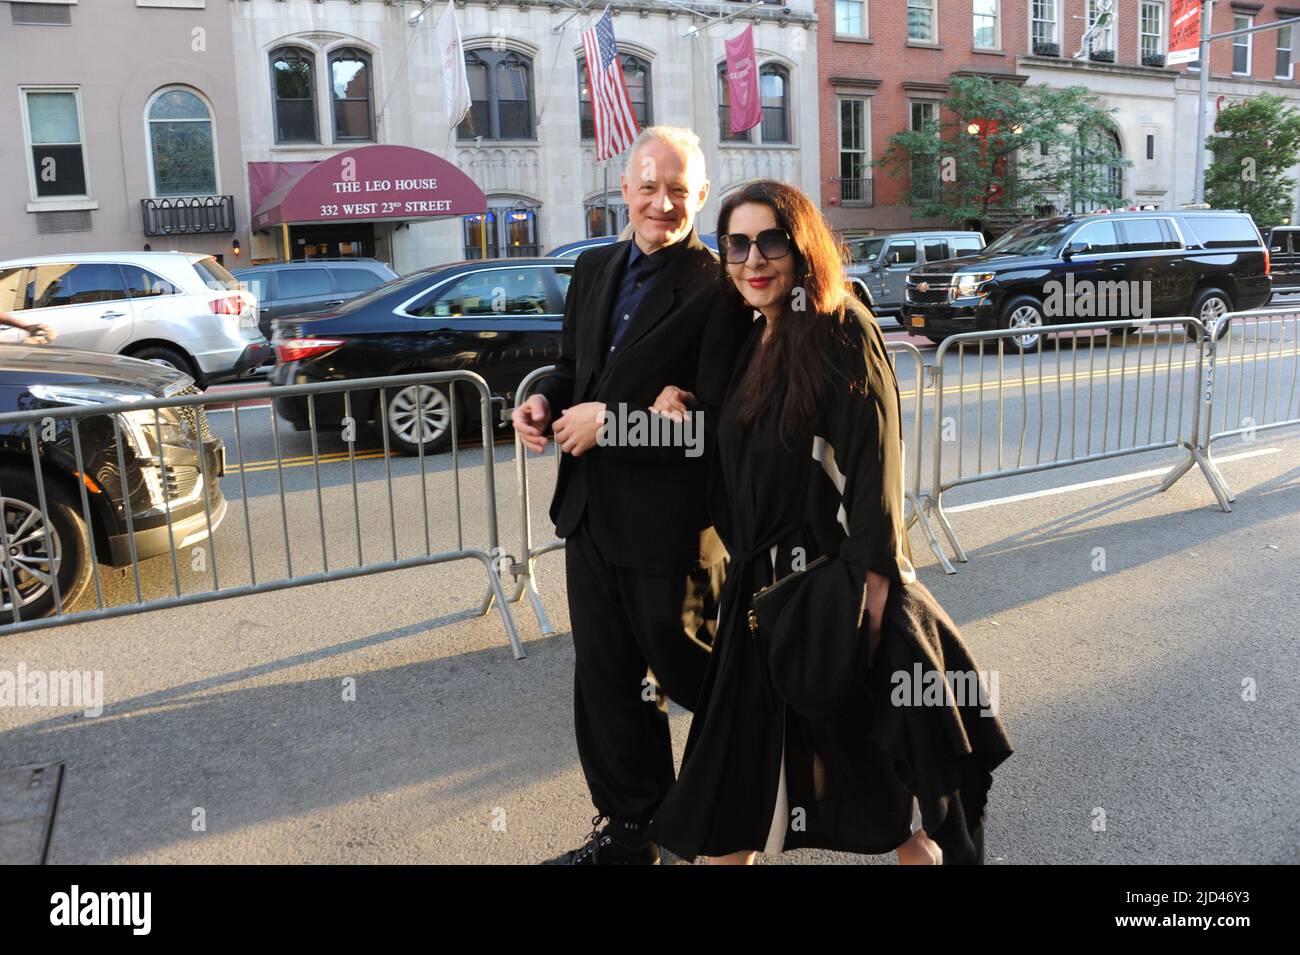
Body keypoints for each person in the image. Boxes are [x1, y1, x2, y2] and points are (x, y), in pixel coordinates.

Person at [647, 180, 1013, 865]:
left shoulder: (841, 328)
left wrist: (866, 606)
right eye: (737, 245)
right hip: (760, 600)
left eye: (771, 241)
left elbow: (876, 469)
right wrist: (686, 402)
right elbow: (755, 437)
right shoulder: (759, 334)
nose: (754, 260)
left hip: (823, 595)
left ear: (803, 246)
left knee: (873, 783)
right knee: (740, 795)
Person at [512, 127, 748, 865]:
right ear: (624, 190)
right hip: (589, 520)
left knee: (708, 683)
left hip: (673, 537)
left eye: (678, 189)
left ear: (700, 194)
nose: (661, 202)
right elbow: (573, 370)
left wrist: (612, 423)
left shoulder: (720, 289)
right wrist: (544, 402)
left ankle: (772, 805)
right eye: (648, 186)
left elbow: (717, 429)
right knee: (609, 686)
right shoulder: (592, 268)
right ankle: (630, 832)